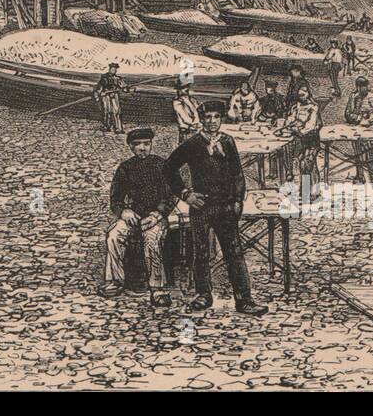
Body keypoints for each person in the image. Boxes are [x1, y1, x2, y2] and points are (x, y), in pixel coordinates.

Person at [164, 101, 266, 316]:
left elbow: (238, 174)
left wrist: (238, 200)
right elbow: (169, 168)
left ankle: (244, 300)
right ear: (202, 119)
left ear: (221, 119)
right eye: (207, 117)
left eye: (216, 117)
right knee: (200, 252)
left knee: (234, 253)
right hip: (202, 207)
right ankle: (204, 294)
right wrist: (186, 194)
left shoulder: (228, 141)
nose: (211, 122)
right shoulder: (192, 143)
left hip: (226, 206)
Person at [100, 127, 173, 306]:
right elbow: (115, 198)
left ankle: (157, 288)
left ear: (151, 145)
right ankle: (115, 280)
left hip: (155, 217)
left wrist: (157, 214)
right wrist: (124, 211)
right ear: (131, 147)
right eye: (137, 145)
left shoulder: (162, 165)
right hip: (133, 216)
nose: (142, 148)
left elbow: (170, 196)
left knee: (151, 239)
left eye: (146, 144)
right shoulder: (125, 168)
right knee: (114, 236)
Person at [344, 76, 373, 183]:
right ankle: (360, 176)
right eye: (359, 87)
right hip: (356, 128)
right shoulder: (353, 97)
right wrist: (356, 118)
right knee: (358, 154)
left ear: (367, 86)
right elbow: (348, 112)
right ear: (357, 87)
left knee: (371, 154)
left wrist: (368, 121)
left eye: (364, 86)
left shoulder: (372, 97)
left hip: (369, 129)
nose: (362, 89)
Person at [284, 84, 321, 183]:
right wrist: (289, 122)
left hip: (311, 139)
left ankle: (308, 193)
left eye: (303, 94)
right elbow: (290, 118)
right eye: (300, 95)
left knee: (307, 164)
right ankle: (307, 192)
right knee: (302, 164)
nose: (301, 97)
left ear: (308, 94)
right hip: (301, 141)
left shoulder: (313, 107)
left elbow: (311, 125)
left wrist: (299, 130)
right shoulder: (296, 106)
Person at [94, 62, 131, 134]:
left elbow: (124, 87)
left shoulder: (118, 78)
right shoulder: (104, 77)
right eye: (113, 69)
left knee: (117, 111)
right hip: (106, 96)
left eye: (115, 69)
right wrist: (99, 94)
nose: (114, 70)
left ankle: (118, 128)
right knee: (106, 111)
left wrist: (126, 88)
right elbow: (99, 87)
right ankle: (106, 126)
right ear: (110, 69)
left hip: (115, 96)